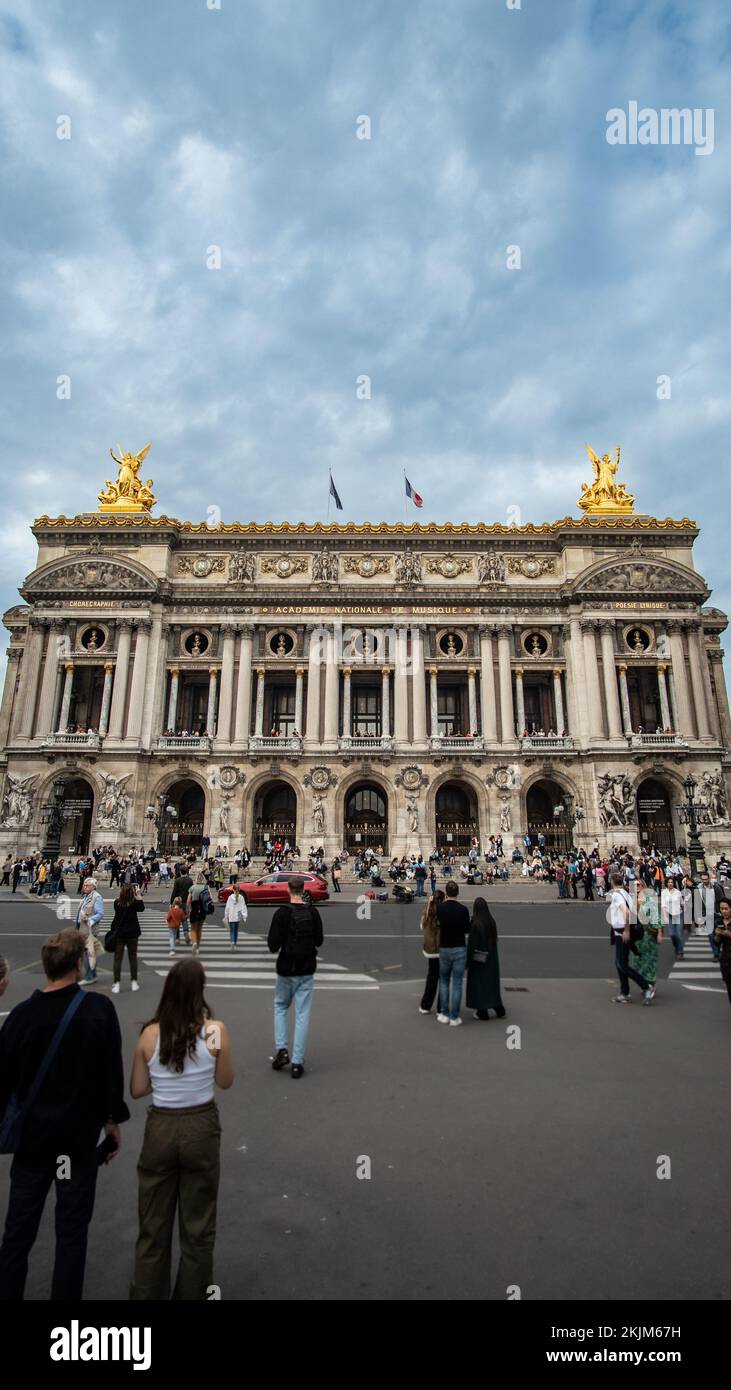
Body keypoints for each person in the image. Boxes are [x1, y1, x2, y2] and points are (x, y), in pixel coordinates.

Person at [0, 929, 129, 1300]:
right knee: (71, 1234)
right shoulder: (97, 1010)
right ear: (78, 964)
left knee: (17, 1234)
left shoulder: (22, 1016)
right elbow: (110, 1075)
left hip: (33, 1144)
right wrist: (111, 1121)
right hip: (75, 1143)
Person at [128, 959, 234, 1300]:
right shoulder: (215, 1030)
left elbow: (137, 1089)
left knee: (152, 1228)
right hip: (200, 1125)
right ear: (200, 991)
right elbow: (225, 1081)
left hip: (161, 1126)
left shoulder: (150, 1033)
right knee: (198, 1228)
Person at [267, 875, 324, 1078]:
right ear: (304, 890)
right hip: (307, 968)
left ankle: (282, 1050)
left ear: (288, 890)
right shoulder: (313, 912)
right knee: (302, 1015)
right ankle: (297, 1063)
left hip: (286, 968)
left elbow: (273, 945)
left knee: (281, 1007)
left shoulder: (282, 913)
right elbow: (319, 941)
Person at [608, 871, 655, 1005]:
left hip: (622, 933)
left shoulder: (617, 895)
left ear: (611, 882)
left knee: (622, 964)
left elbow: (627, 913)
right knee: (619, 964)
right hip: (622, 933)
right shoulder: (626, 894)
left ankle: (646, 986)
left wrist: (626, 931)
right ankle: (624, 992)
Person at [436, 881, 471, 1026]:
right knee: (457, 983)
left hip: (444, 947)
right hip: (459, 947)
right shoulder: (463, 910)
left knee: (444, 981)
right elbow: (467, 930)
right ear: (458, 893)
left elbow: (438, 924)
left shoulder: (440, 908)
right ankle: (454, 1017)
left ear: (446, 892)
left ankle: (444, 1013)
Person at [466, 897, 506, 1020]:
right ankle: (498, 1007)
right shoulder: (491, 921)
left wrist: (467, 960)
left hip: (479, 958)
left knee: (479, 984)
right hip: (492, 958)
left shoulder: (476, 923)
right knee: (491, 984)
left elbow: (472, 944)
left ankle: (482, 1010)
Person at [111, 883, 145, 994]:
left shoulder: (117, 903)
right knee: (133, 958)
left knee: (118, 959)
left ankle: (116, 983)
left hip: (120, 934)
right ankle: (134, 982)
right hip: (132, 933)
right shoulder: (134, 903)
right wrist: (138, 894)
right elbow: (142, 908)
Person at [418, 889, 444, 1014]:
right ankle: (441, 1008)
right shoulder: (444, 912)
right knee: (443, 979)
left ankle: (425, 1006)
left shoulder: (427, 913)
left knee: (431, 977)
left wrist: (428, 905)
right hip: (442, 949)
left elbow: (422, 926)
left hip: (430, 950)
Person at [76, 876, 105, 984]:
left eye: (87, 885)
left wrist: (90, 919)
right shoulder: (87, 896)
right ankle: (93, 975)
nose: (84, 887)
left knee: (88, 954)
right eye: (84, 885)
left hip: (90, 930)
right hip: (83, 929)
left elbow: (100, 913)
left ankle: (89, 977)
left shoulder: (97, 897)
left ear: (93, 887)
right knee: (89, 954)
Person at [187, 873, 213, 956]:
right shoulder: (206, 887)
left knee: (193, 928)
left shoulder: (192, 887)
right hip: (202, 910)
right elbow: (210, 898)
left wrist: (187, 909)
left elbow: (188, 901)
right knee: (200, 928)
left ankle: (194, 943)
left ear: (196, 879)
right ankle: (197, 947)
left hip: (194, 909)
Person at [714, 898, 731, 1004]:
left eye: (726, 908)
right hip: (726, 958)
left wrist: (728, 934)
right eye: (721, 909)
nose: (724, 911)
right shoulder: (718, 922)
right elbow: (717, 943)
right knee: (729, 986)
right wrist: (717, 935)